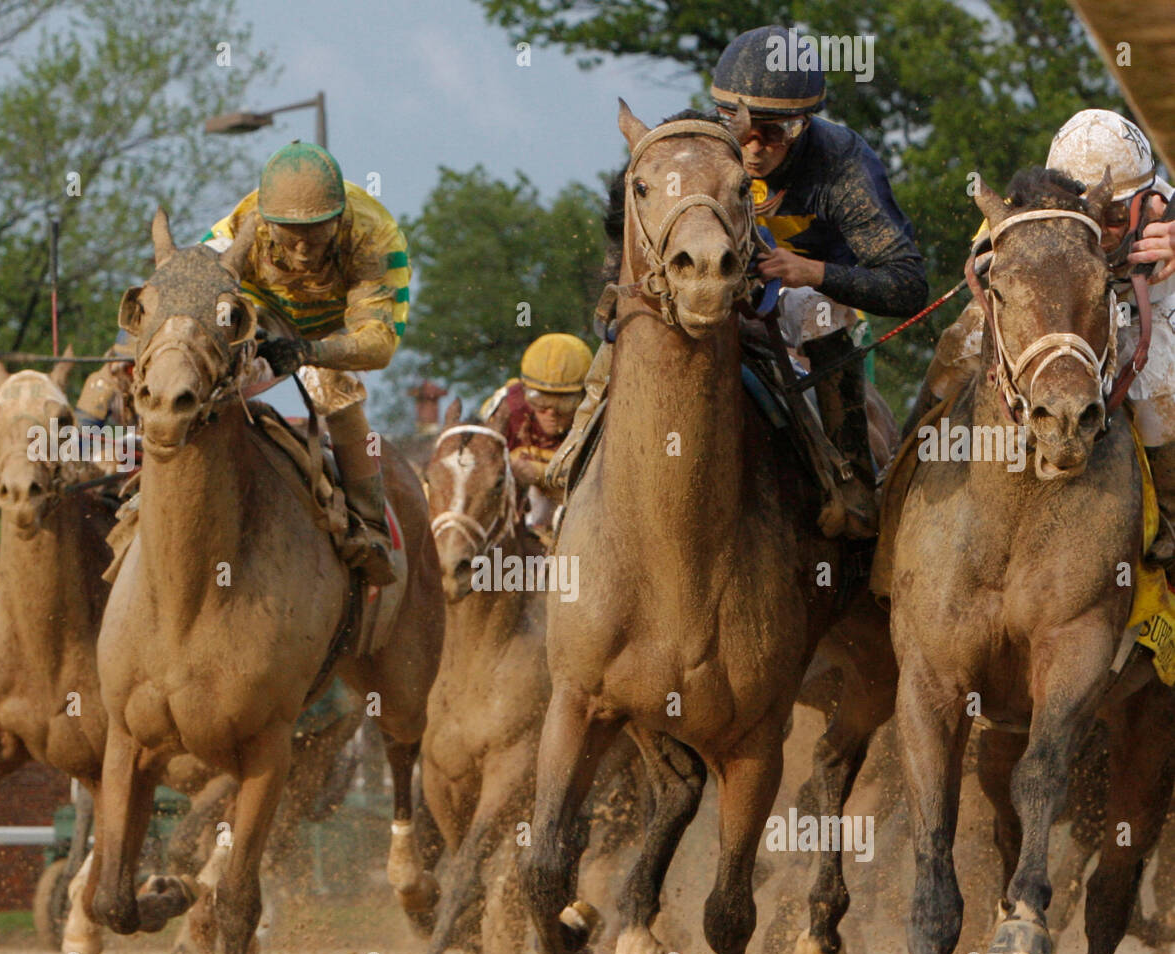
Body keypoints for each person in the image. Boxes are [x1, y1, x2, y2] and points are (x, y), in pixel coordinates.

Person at [549, 25, 928, 539]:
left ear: (806, 123)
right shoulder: (700, 145)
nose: (753, 146)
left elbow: (907, 285)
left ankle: (852, 483)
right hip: (714, 279)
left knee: (820, 315)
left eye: (777, 133)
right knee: (633, 306)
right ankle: (577, 445)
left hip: (811, 291)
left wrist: (812, 272)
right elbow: (629, 225)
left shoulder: (843, 165)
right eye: (741, 124)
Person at [916, 110, 1175, 560]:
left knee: (1159, 394)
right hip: (1060, 323)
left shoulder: (1166, 207)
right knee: (961, 344)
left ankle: (1170, 514)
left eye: (1114, 215)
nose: (1100, 224)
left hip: (1147, 318)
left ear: (1147, 200)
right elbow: (990, 247)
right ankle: (904, 463)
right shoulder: (1033, 206)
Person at [202, 140, 412, 586]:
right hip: (263, 308)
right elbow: (196, 294)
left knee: (333, 389)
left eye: (317, 230)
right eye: (288, 232)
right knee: (202, 363)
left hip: (335, 326)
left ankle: (370, 527)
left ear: (339, 217)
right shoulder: (237, 226)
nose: (301, 248)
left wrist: (310, 353)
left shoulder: (374, 235)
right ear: (264, 220)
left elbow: (378, 344)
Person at [480, 333, 592, 537]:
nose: (550, 412)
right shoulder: (508, 409)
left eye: (564, 403)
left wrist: (539, 473)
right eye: (539, 400)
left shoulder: (597, 419)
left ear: (585, 397)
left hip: (580, 525)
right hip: (512, 528)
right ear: (524, 390)